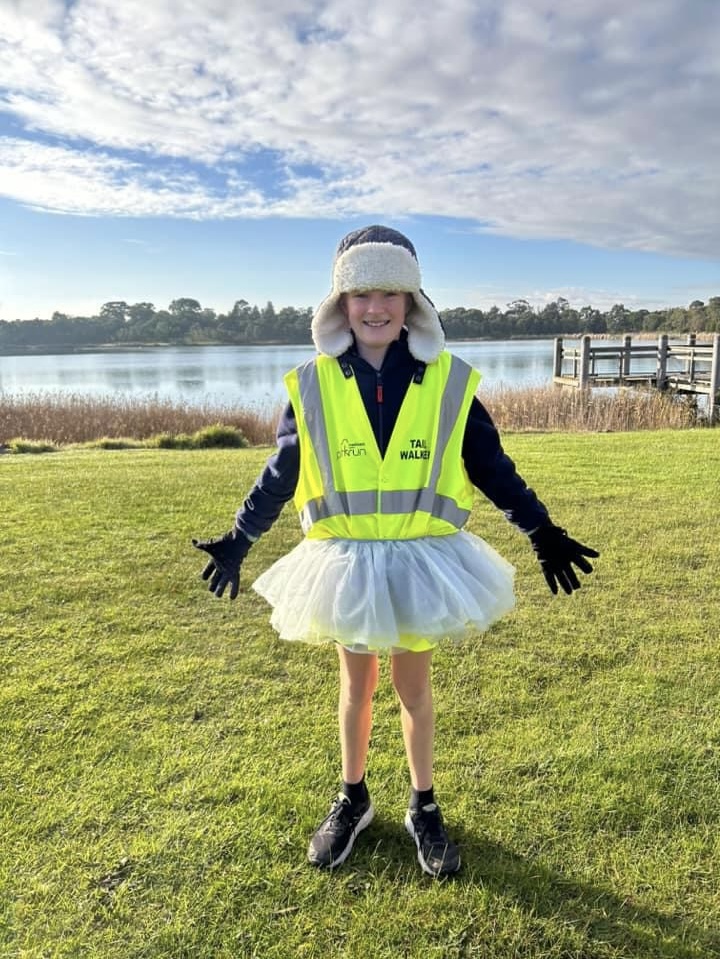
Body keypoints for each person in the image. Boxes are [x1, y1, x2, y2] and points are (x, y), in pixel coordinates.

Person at [193, 225, 599, 878]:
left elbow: (491, 466)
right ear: (340, 303)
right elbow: (282, 472)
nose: (375, 307)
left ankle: (423, 804)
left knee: (415, 687)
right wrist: (240, 538)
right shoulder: (314, 384)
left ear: (412, 302)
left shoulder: (448, 381)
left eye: (390, 292)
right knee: (356, 684)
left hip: (421, 561)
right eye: (360, 293)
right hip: (347, 564)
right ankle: (353, 798)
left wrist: (541, 529)